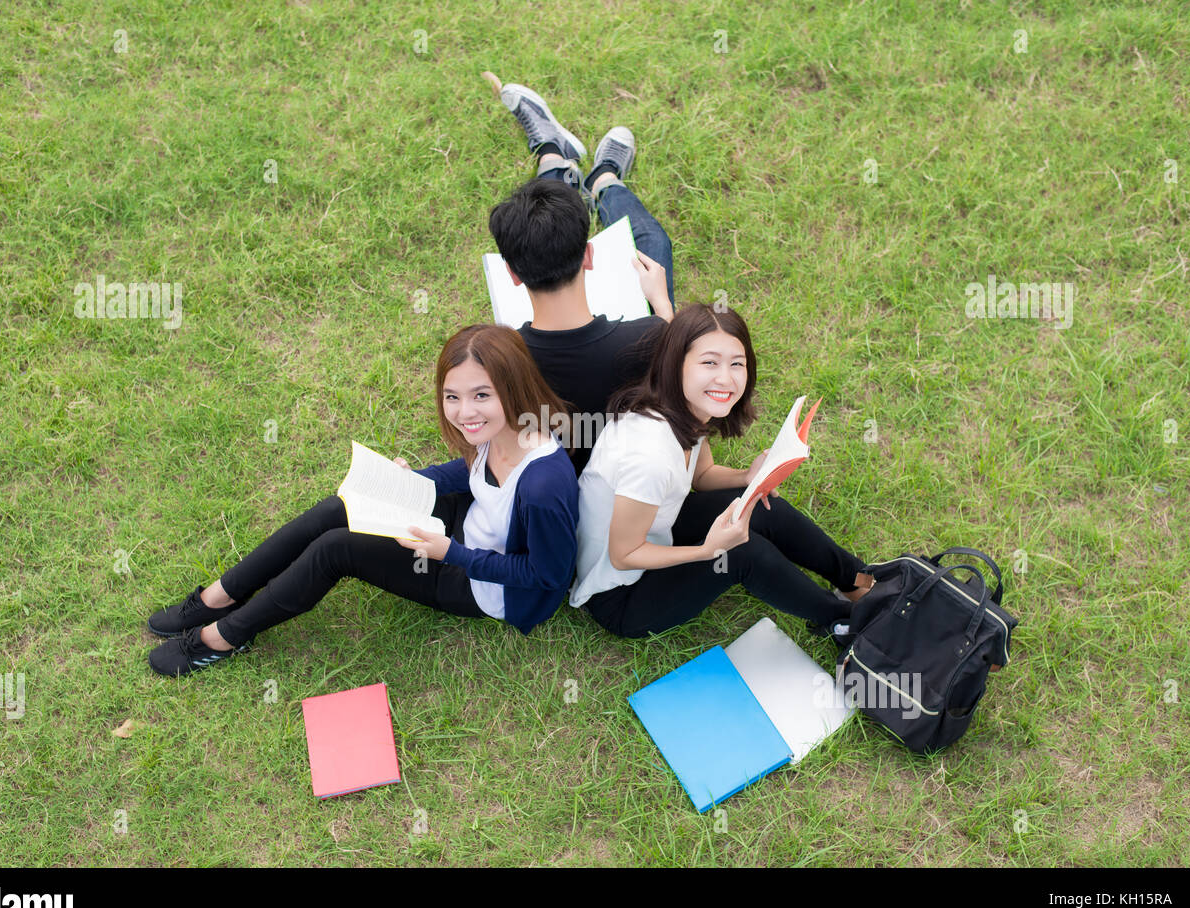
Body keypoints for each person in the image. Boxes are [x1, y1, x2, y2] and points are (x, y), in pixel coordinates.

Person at [146, 325, 579, 676]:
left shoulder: (543, 486)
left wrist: (452, 554)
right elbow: (470, 470)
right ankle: (219, 596)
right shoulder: (497, 430)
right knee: (341, 507)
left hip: (482, 585)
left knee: (336, 550)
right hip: (465, 525)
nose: (464, 412)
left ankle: (224, 636)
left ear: (512, 387)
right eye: (453, 396)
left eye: (481, 395)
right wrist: (410, 481)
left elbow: (547, 574)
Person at [569, 303, 871, 639]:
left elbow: (701, 475)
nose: (725, 378)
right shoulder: (648, 457)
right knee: (739, 552)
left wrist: (748, 477)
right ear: (676, 365)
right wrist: (707, 551)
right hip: (619, 593)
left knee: (758, 504)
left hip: (655, 528)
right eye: (709, 362)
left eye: (736, 364)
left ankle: (858, 579)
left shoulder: (683, 410)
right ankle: (848, 622)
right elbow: (623, 555)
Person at [483, 73, 675, 474]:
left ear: (512, 275)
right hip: (618, 478)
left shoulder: (502, 357)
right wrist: (661, 302)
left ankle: (553, 155)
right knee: (652, 245)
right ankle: (604, 179)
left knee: (547, 216)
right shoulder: (650, 336)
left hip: (567, 473)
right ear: (589, 256)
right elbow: (678, 370)